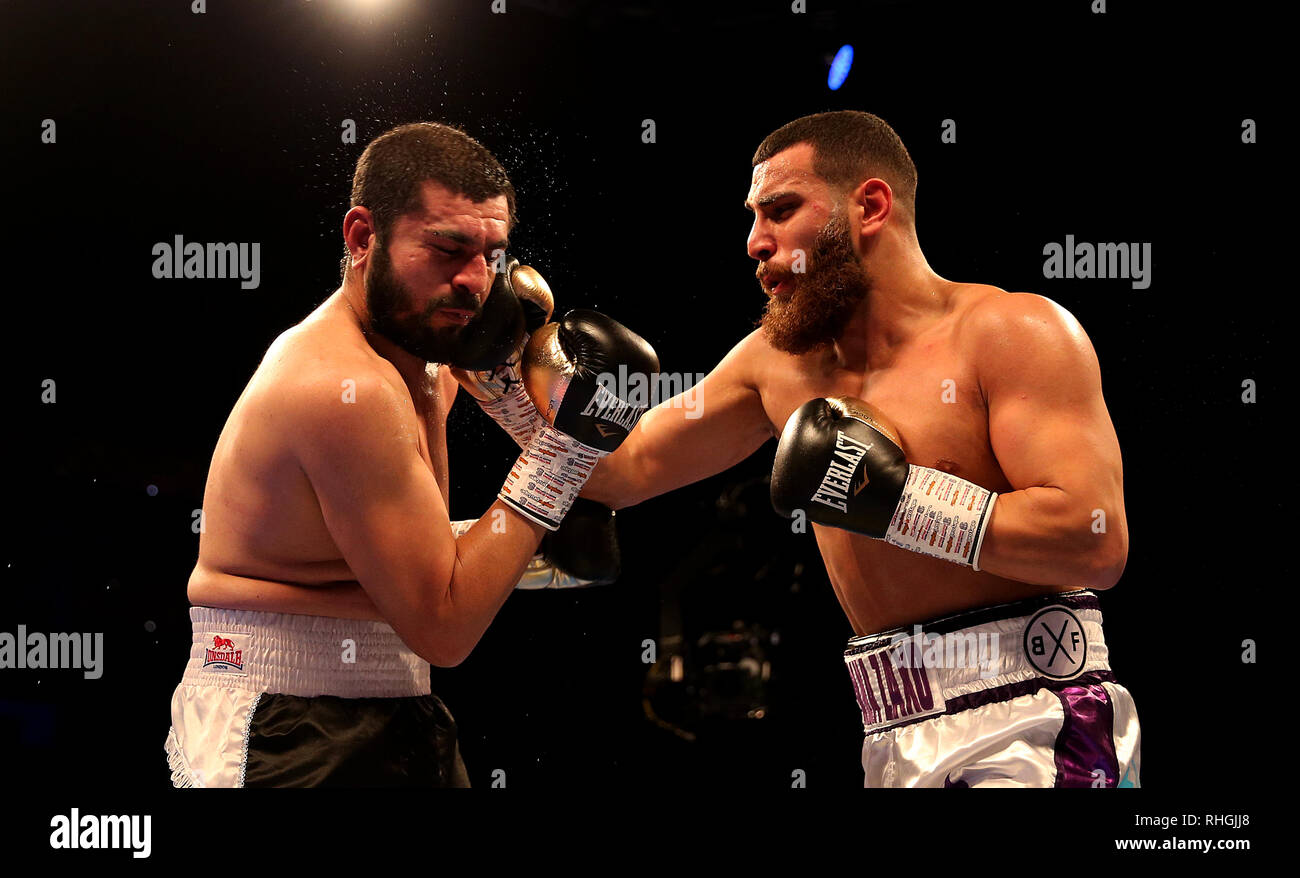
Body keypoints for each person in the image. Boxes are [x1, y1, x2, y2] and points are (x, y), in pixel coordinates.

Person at [583, 110, 1140, 788]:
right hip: (890, 731)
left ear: (870, 205)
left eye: (781, 210)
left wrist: (900, 501)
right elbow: (619, 472)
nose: (755, 242)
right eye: (753, 218)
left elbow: (1095, 541)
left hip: (1031, 713)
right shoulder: (777, 365)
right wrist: (496, 368)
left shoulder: (1012, 331)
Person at [165, 122, 657, 787]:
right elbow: (446, 626)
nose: (475, 280)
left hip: (394, 703)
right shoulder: (343, 388)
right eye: (449, 248)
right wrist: (563, 449)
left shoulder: (433, 352)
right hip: (285, 721)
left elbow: (603, 487)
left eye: (492, 253)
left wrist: (520, 397)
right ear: (363, 237)